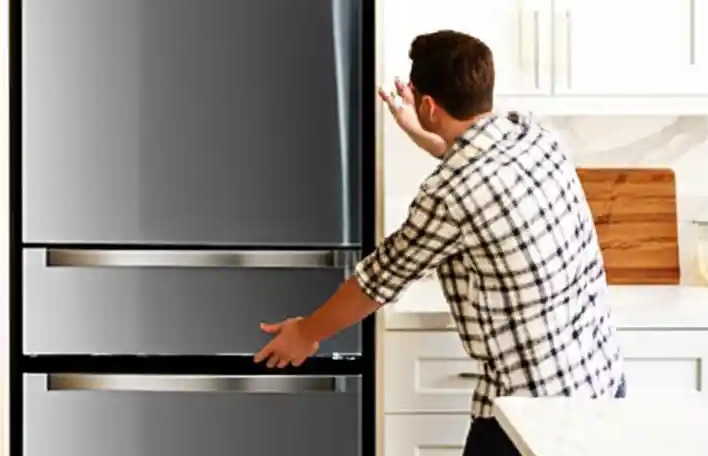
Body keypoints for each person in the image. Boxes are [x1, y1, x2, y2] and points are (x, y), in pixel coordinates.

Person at [254, 30, 625, 456]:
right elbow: (479, 170)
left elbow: (377, 281)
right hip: (600, 384)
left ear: (429, 104)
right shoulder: (531, 135)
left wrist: (305, 332)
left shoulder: (450, 193)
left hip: (530, 414)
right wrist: (422, 133)